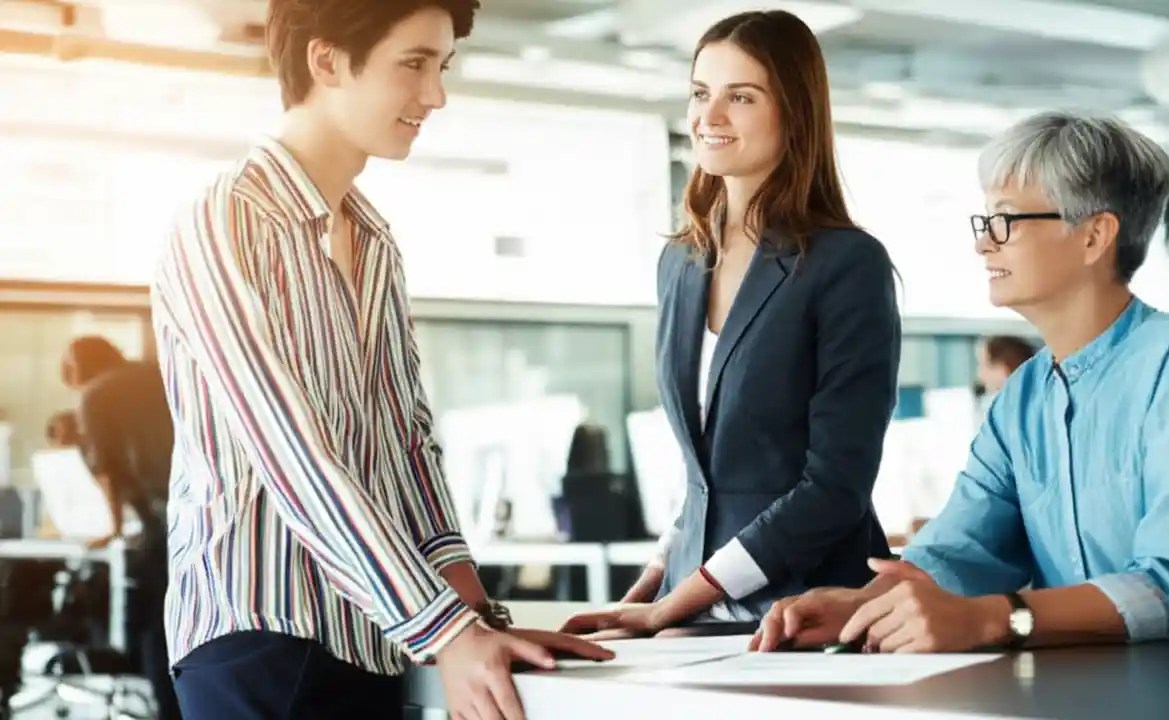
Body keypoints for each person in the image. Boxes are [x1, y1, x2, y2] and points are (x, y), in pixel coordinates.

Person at [149, 2, 610, 718]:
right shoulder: (225, 221)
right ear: (327, 61)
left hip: (372, 638)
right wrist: (446, 630)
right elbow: (292, 453)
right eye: (414, 64)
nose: (436, 96)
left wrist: (476, 615)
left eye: (441, 67)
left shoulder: (371, 239)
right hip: (262, 640)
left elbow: (406, 444)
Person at [752, 111, 1169, 655]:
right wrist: (863, 606)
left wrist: (995, 619)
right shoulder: (1023, 399)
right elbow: (960, 552)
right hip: (1094, 691)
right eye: (985, 224)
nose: (985, 245)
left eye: (1005, 221)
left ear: (1095, 235)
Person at [563, 10, 900, 636]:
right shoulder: (682, 261)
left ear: (793, 112)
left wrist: (682, 596)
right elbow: (710, 472)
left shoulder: (845, 263)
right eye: (700, 93)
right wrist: (663, 569)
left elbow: (835, 486)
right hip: (695, 608)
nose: (708, 117)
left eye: (739, 97)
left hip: (808, 610)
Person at [60, 336, 180, 719]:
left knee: (153, 625)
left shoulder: (96, 394)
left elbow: (105, 467)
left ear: (80, 365)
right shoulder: (156, 372)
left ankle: (165, 710)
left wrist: (112, 526)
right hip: (194, 506)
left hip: (158, 520)